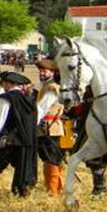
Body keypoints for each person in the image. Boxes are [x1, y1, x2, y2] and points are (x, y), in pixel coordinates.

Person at [0, 71, 38, 196]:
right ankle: (20, 193)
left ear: (7, 84)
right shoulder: (29, 100)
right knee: (21, 169)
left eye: (3, 83)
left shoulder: (5, 99)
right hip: (25, 142)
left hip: (8, 141)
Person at [34, 58, 65, 195]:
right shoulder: (43, 86)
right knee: (47, 158)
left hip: (50, 128)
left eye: (44, 71)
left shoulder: (52, 88)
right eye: (40, 71)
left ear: (52, 72)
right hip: (44, 128)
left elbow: (41, 109)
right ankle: (52, 188)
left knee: (52, 158)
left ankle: (54, 189)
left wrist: (31, 123)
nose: (41, 73)